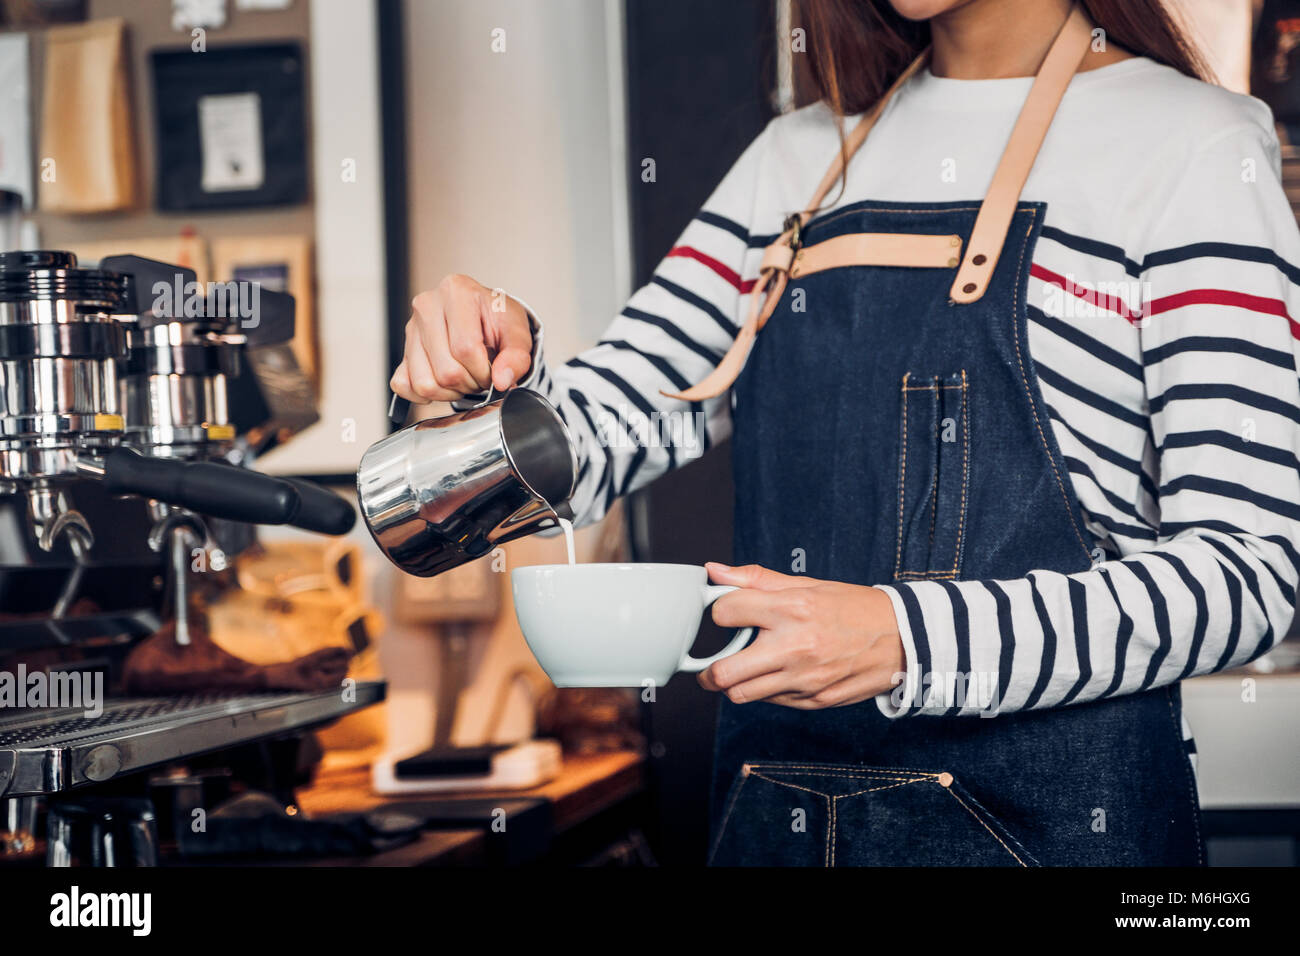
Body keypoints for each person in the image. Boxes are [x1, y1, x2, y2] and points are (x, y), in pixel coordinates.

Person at [391, 0, 1300, 866]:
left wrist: (908, 638)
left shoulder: (1196, 146)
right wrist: (487, 364)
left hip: (1056, 827)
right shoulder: (796, 162)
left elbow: (1251, 573)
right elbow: (598, 437)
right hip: (771, 825)